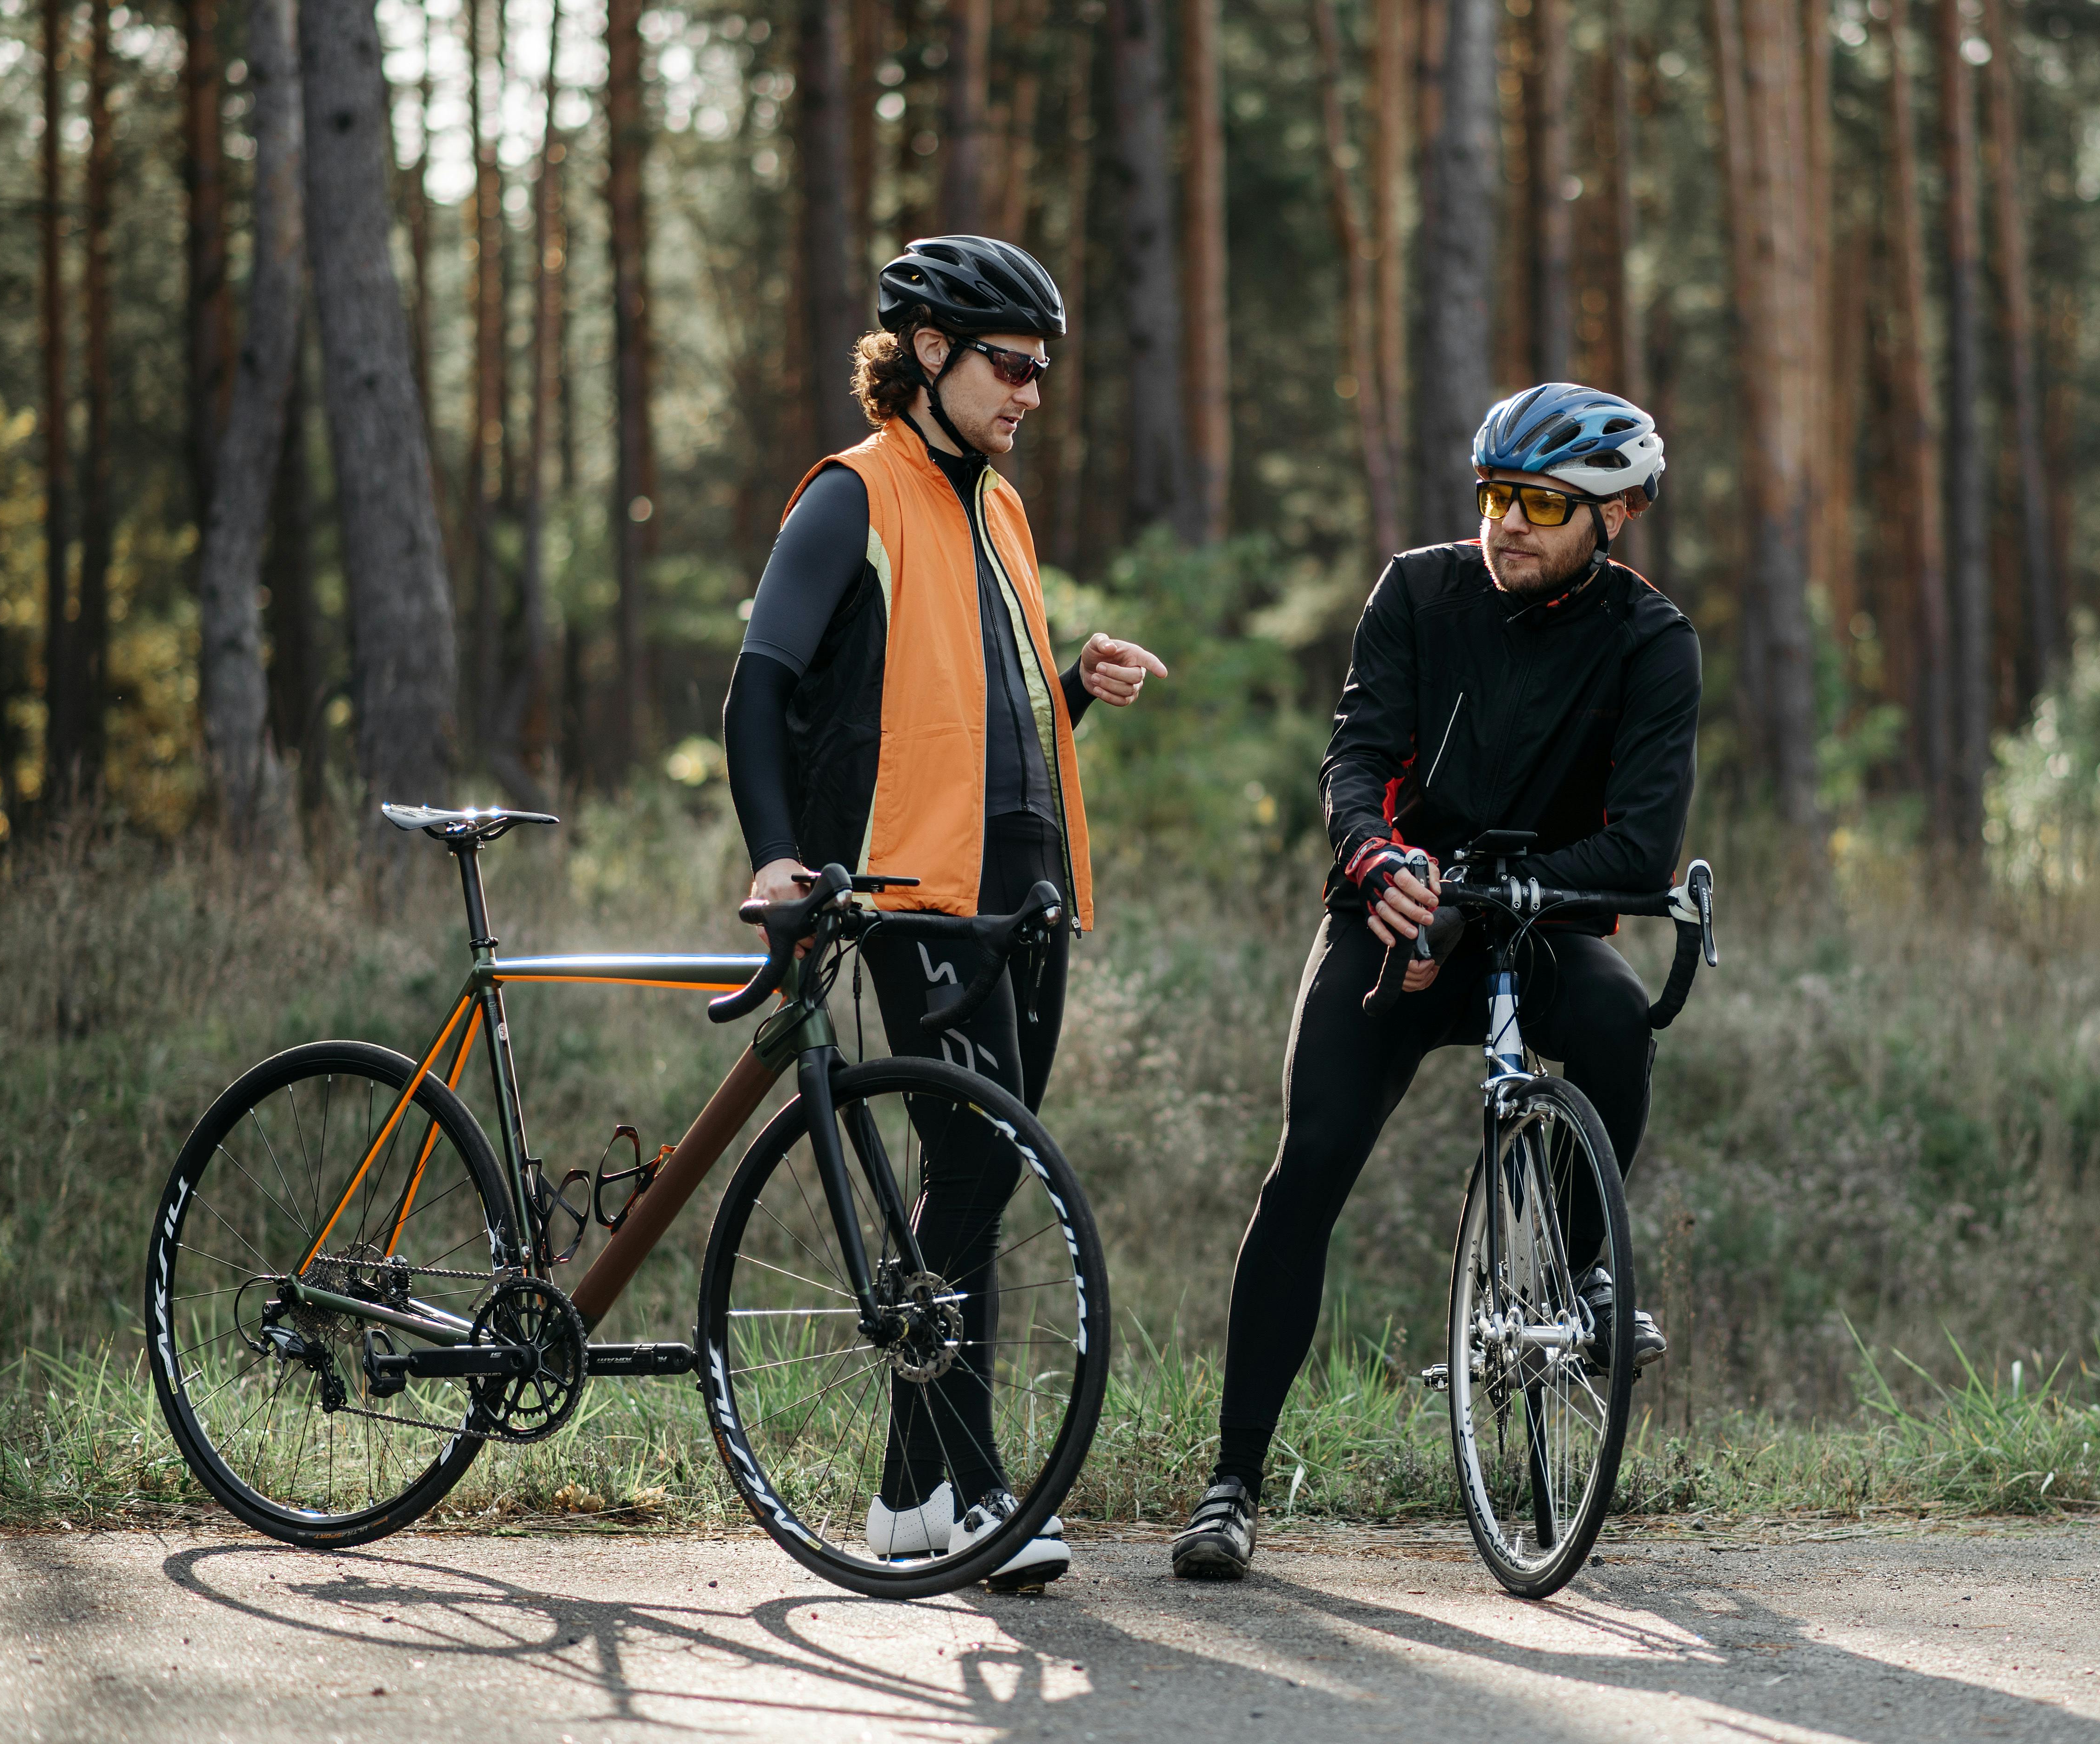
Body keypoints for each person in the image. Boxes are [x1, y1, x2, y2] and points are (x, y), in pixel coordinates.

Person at [1169, 383, 1700, 1581]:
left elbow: (1642, 847)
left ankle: (1572, 1271)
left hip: (1536, 918)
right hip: (1397, 915)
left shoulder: (1653, 641)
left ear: (1612, 516)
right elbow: (1358, 752)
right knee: (1304, 1174)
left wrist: (1507, 891)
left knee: (1618, 1019)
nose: (1504, 523)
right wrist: (1375, 857)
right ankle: (1230, 1488)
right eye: (1493, 495)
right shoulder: (1417, 588)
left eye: (1540, 503)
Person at [722, 234, 1167, 1591]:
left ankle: (913, 1499)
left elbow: (977, 712)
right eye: (1010, 365)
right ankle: (972, 1493)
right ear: (927, 351)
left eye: (1044, 369)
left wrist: (1072, 685)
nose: (1032, 391)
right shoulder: (850, 496)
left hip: (1025, 890)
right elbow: (757, 686)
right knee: (971, 1169)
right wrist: (780, 856)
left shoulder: (1000, 509)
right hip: (915, 888)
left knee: (978, 1174)